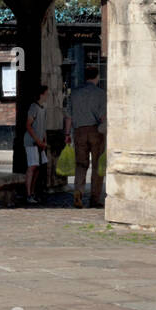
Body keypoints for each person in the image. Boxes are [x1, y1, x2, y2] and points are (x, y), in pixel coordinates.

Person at [64, 65, 106, 209]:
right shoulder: (101, 94)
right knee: (96, 166)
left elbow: (68, 116)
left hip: (79, 131)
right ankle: (95, 199)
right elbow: (103, 117)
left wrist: (67, 134)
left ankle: (78, 193)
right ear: (97, 77)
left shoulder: (74, 94)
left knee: (81, 165)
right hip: (96, 132)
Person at [24, 84, 49, 205]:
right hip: (32, 141)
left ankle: (32, 192)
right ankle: (28, 194)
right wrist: (38, 140)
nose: (47, 95)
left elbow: (43, 127)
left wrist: (44, 141)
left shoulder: (43, 108)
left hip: (39, 142)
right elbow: (28, 125)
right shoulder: (33, 107)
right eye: (46, 93)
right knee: (32, 166)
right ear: (41, 94)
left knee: (38, 167)